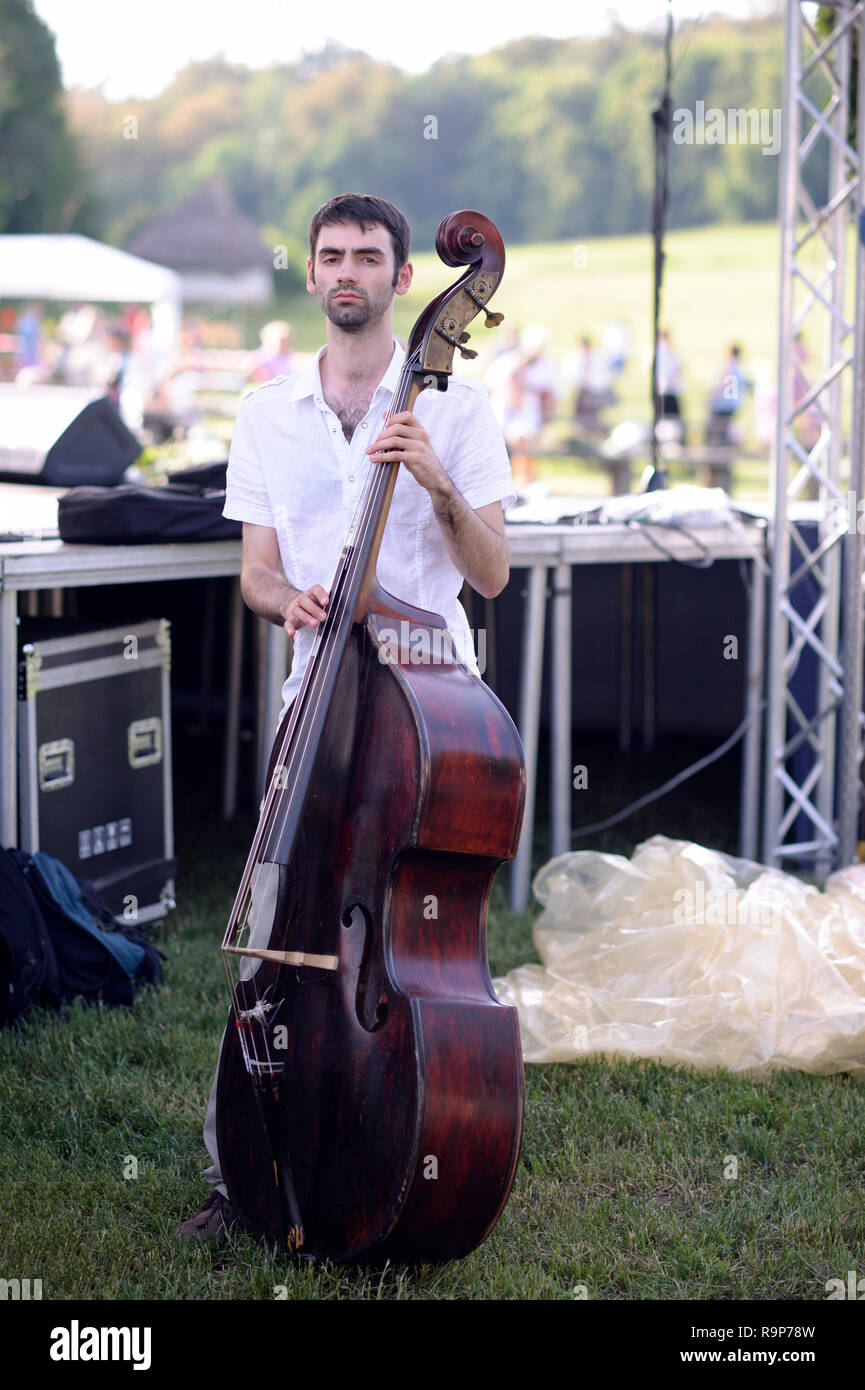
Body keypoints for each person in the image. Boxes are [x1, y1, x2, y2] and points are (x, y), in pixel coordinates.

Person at [177, 191, 516, 1240]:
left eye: (369, 256)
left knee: (407, 925)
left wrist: (436, 481)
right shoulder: (267, 410)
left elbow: (492, 575)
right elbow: (256, 576)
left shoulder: (456, 410)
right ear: (313, 272)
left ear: (406, 280)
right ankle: (242, 1164)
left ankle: (409, 1136)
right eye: (332, 255)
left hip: (420, 706)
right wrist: (292, 600)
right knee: (285, 933)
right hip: (312, 695)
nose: (349, 271)